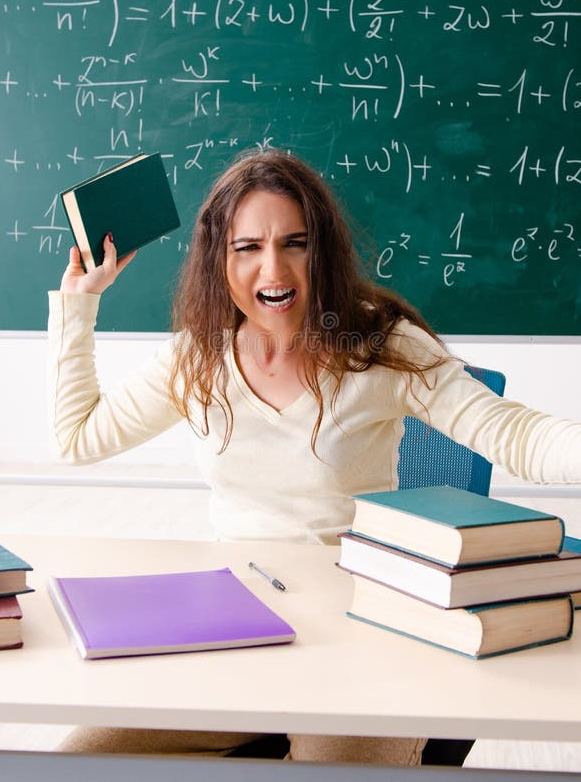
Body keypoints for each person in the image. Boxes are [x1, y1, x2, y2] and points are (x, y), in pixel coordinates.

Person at [48, 148, 581, 763]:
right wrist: (79, 301)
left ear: (320, 248)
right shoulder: (197, 357)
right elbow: (77, 438)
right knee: (76, 762)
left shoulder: (379, 345)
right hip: (234, 629)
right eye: (247, 247)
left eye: (293, 243)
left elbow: (516, 435)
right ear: (219, 258)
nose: (272, 268)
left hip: (363, 629)